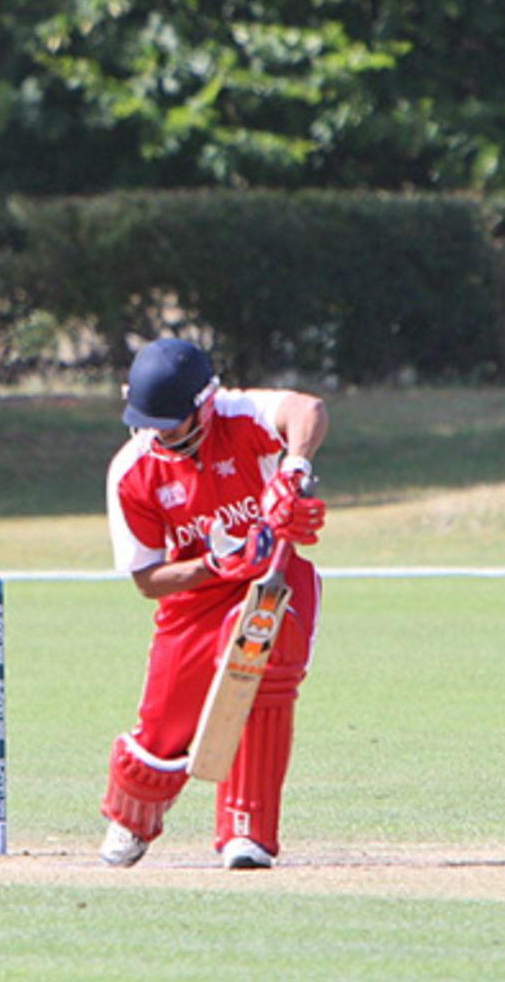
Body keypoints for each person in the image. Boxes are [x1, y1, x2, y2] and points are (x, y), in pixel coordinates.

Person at [99, 337, 328, 869]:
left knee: (261, 665)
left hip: (273, 577)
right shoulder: (132, 471)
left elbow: (308, 409)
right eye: (147, 422)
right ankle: (132, 820)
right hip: (192, 597)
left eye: (170, 423)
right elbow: (148, 579)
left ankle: (246, 830)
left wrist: (293, 468)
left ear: (204, 403)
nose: (158, 435)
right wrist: (216, 565)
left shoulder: (240, 415)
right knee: (163, 728)